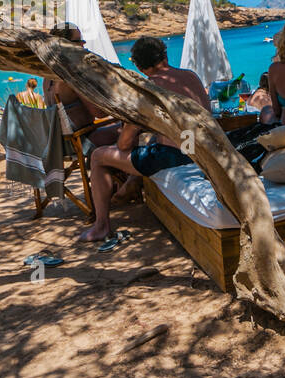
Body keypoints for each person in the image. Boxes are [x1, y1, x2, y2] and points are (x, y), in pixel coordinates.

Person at [77, 37, 208, 243]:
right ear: (165, 55)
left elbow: (123, 144)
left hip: (177, 156)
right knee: (152, 142)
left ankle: (101, 225)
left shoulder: (149, 89)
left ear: (139, 66)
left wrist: (131, 129)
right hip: (203, 149)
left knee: (98, 156)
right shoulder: (191, 76)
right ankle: (131, 184)